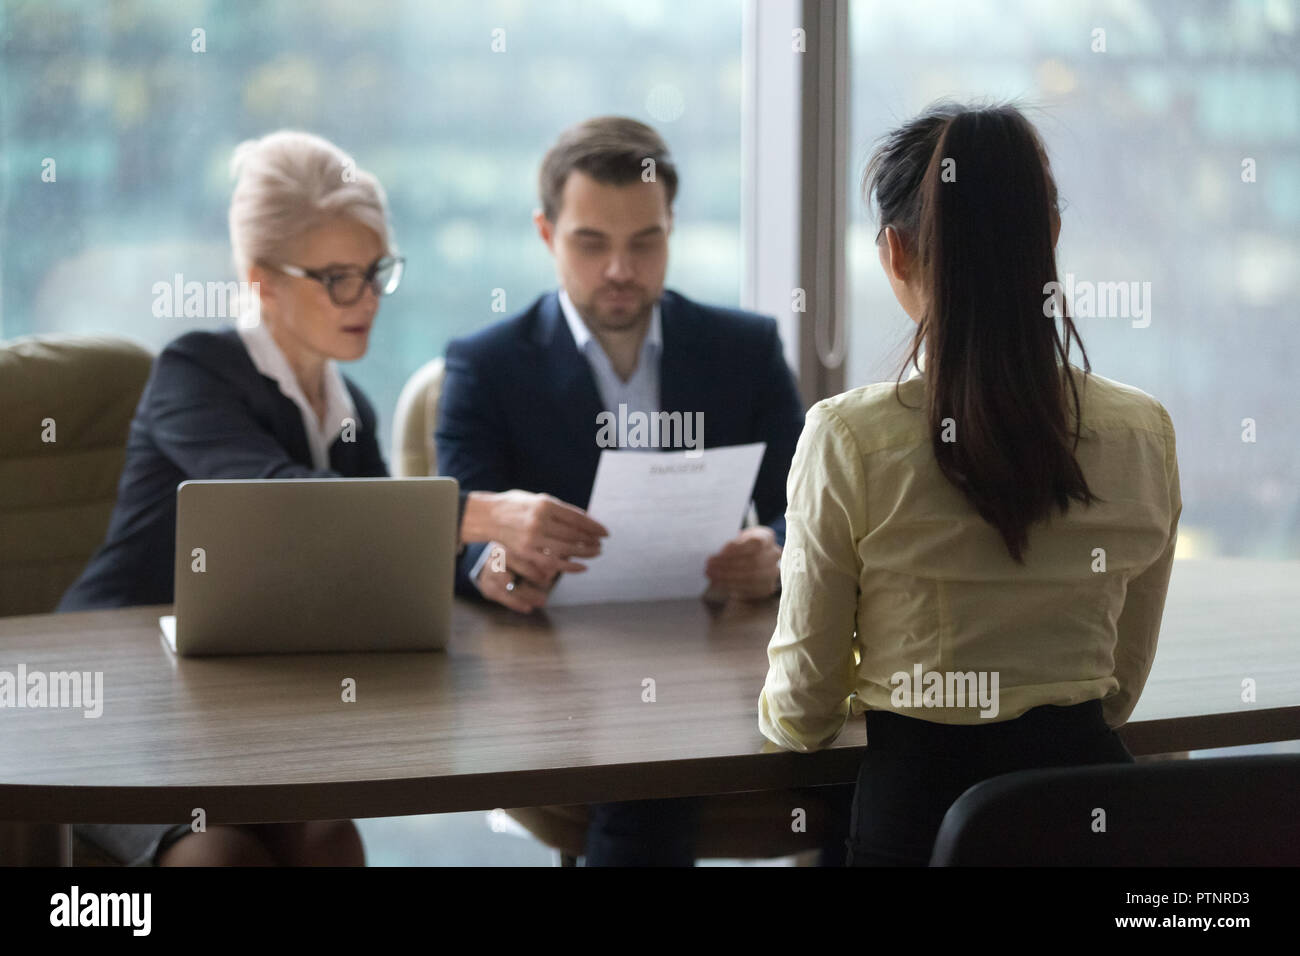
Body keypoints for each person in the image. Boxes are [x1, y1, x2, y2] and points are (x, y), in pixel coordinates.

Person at [58, 130, 567, 866]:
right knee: (219, 860)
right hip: (118, 689)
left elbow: (383, 550)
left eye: (374, 273)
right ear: (261, 280)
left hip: (237, 700)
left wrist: (482, 565)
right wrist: (481, 513)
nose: (365, 300)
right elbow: (280, 499)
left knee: (331, 839)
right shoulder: (193, 373)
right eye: (337, 278)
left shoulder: (345, 402)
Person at [757, 101, 1182, 866]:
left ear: (895, 253)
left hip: (921, 832)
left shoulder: (848, 439)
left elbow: (804, 712)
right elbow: (1116, 689)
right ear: (1049, 237)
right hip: (1094, 830)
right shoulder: (1142, 432)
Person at [435, 116, 850, 864]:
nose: (621, 269)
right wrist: (495, 570)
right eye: (592, 243)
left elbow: (812, 510)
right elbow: (452, 523)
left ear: (672, 231)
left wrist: (778, 551)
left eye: (645, 242)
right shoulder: (485, 366)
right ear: (545, 233)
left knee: (873, 769)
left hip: (724, 653)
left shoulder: (743, 350)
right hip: (568, 673)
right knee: (648, 787)